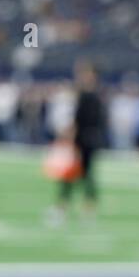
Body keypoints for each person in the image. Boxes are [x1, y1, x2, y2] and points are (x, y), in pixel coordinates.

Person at [46, 59, 104, 224]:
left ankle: (81, 209)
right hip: (85, 139)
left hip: (85, 140)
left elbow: (86, 120)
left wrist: (72, 134)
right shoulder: (86, 93)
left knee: (82, 174)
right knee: (75, 175)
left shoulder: (90, 95)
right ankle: (69, 208)